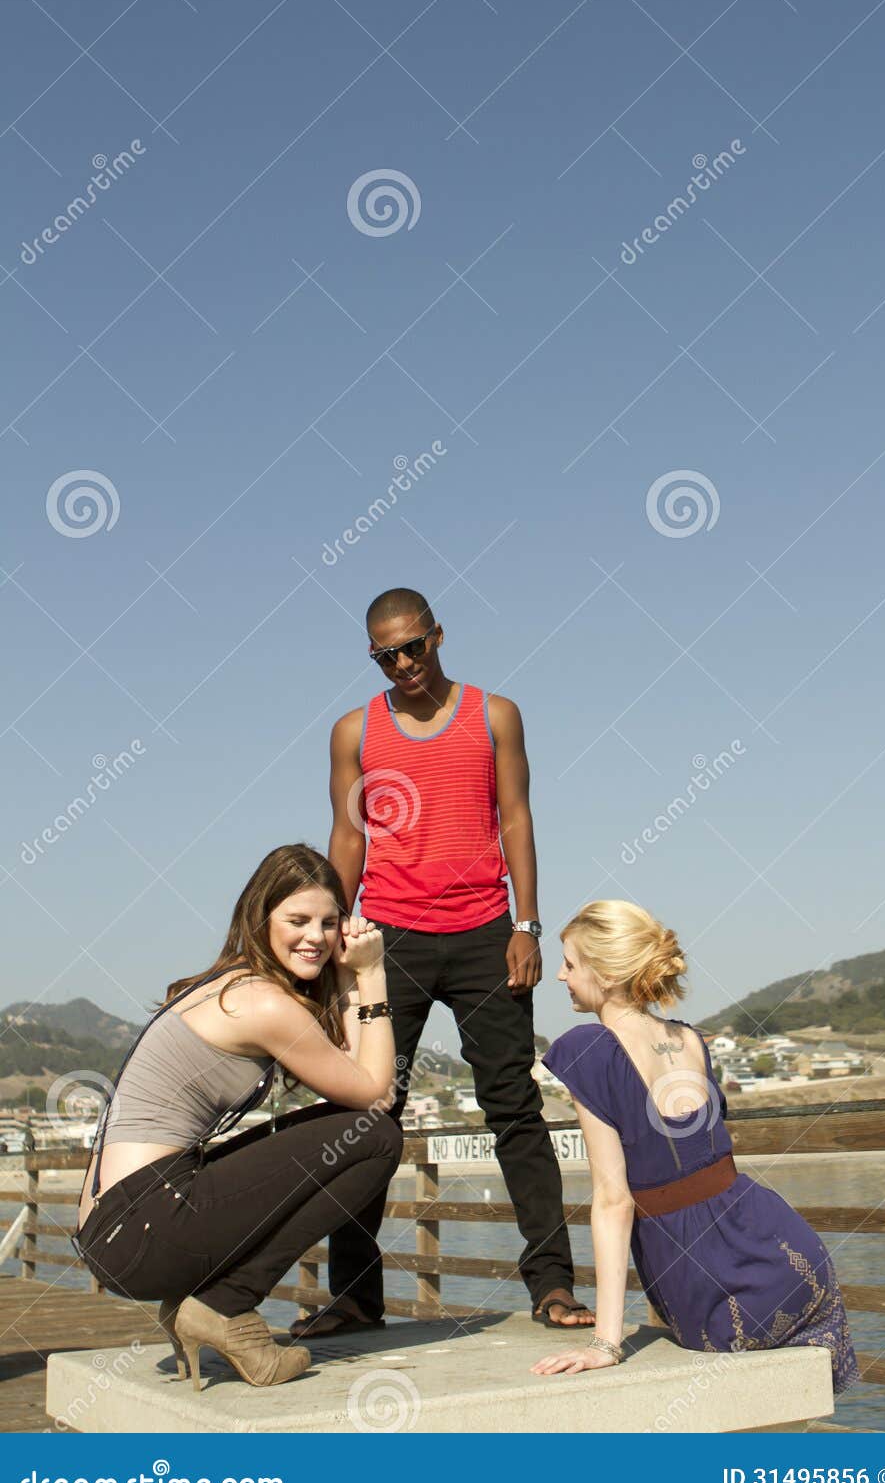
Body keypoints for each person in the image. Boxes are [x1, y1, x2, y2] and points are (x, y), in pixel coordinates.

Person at [295, 585, 593, 1338]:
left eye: (412, 647)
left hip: (485, 934)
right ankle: (355, 1299)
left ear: (436, 635)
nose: (403, 664)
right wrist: (334, 937)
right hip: (387, 940)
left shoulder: (495, 715)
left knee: (514, 1109)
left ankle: (553, 1286)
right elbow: (348, 837)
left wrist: (526, 924)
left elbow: (516, 817)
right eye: (385, 656)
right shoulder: (354, 731)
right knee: (368, 1113)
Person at [73, 844, 401, 1390]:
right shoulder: (262, 1003)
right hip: (141, 1225)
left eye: (329, 923)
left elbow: (352, 1074)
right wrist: (372, 975)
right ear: (261, 917)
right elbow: (376, 1093)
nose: (315, 937)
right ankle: (225, 1306)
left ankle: (213, 1304)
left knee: (350, 1130)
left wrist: (345, 976)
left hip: (123, 1223)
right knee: (376, 1138)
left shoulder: (233, 982)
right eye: (297, 920)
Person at [531, 900, 861, 1390]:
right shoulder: (689, 1039)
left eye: (570, 964)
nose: (560, 975)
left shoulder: (589, 1050)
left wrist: (606, 1343)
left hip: (712, 1287)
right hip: (792, 1261)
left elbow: (614, 1200)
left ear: (607, 973)